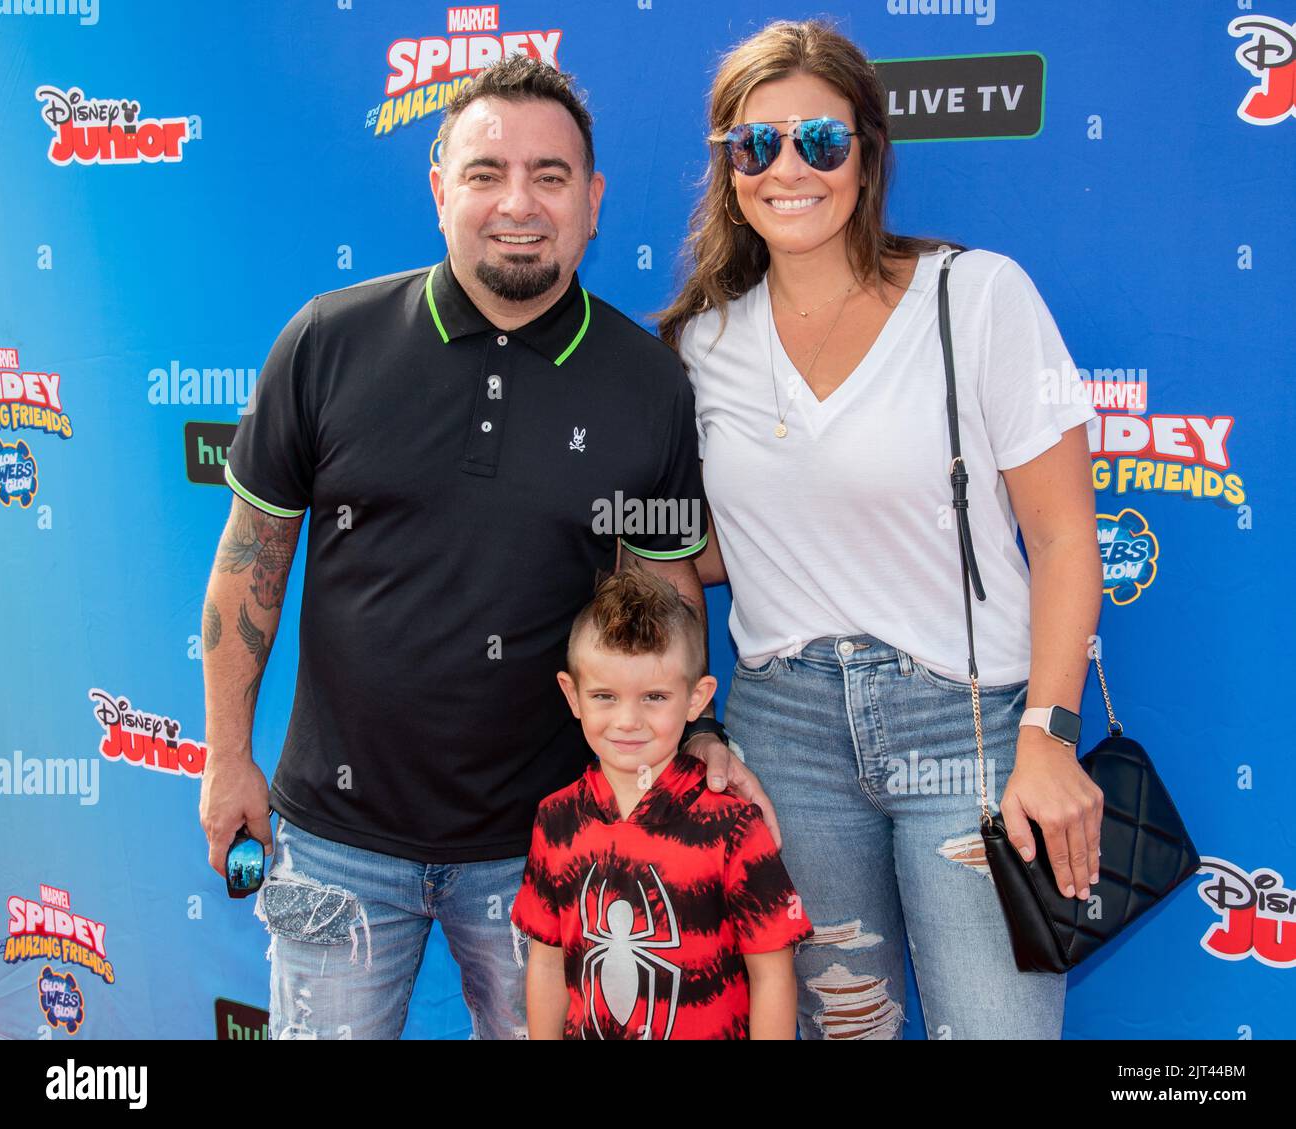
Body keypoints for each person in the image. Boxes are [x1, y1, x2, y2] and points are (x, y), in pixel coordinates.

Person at [197, 55, 761, 1040]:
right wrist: (225, 757)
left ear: (591, 202)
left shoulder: (648, 384)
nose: (519, 204)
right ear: (439, 189)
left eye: (550, 177)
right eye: (486, 172)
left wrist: (671, 756)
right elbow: (252, 561)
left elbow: (663, 596)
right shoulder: (326, 341)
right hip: (333, 843)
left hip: (549, 844)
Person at [657, 18, 1105, 1039]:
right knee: (834, 1030)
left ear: (866, 154)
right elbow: (711, 549)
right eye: (754, 145)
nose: (787, 168)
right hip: (786, 732)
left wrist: (1049, 732)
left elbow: (1066, 539)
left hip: (973, 728)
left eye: (819, 141)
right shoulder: (700, 347)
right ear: (728, 168)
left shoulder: (976, 297)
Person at [513, 567, 810, 1039]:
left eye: (654, 696)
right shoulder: (556, 820)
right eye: (604, 696)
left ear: (697, 699)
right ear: (573, 696)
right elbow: (547, 964)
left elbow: (772, 974)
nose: (628, 720)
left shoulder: (732, 825)